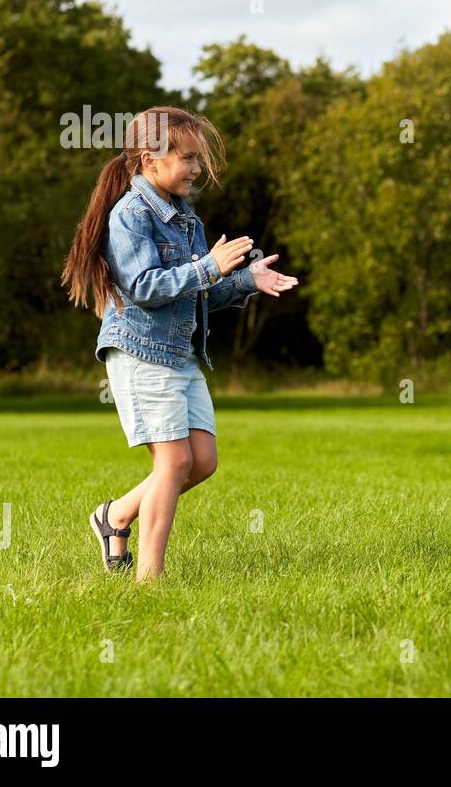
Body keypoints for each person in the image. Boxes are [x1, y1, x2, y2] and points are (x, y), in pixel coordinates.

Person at [61, 106, 299, 580]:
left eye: (197, 159)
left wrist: (248, 279)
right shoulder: (130, 215)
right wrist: (210, 266)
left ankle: (114, 517)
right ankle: (151, 578)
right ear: (150, 160)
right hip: (140, 352)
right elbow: (145, 286)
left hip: (180, 354)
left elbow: (201, 291)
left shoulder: (186, 219)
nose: (196, 169)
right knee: (174, 461)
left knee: (202, 461)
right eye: (188, 158)